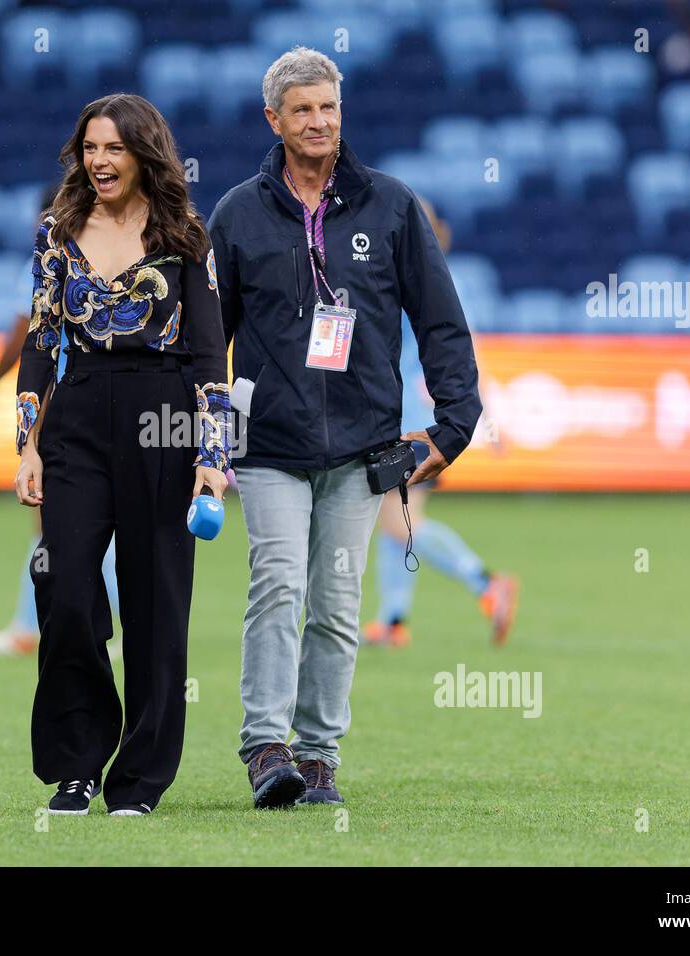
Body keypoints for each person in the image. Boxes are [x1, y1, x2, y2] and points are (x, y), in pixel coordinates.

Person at [209, 47, 481, 809]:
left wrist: (452, 428)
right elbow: (207, 342)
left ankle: (318, 756)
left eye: (328, 107)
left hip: (364, 449)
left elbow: (442, 325)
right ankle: (266, 748)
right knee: (278, 582)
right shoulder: (236, 214)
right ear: (275, 119)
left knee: (334, 600)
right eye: (303, 109)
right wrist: (208, 440)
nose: (319, 121)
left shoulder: (395, 207)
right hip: (268, 447)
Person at [14, 93, 230, 817]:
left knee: (157, 606)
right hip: (78, 419)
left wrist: (212, 454)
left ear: (144, 154)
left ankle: (138, 781)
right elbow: (42, 341)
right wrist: (28, 446)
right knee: (67, 587)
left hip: (164, 419)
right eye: (89, 148)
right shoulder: (55, 231)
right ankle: (77, 764)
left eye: (113, 148)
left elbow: (208, 356)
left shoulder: (184, 234)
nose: (99, 161)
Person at [0, 184, 122, 659]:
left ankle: (35, 628)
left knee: (53, 524)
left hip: (62, 413)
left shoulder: (46, 261)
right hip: (111, 407)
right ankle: (41, 625)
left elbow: (22, 338)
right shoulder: (113, 256)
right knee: (95, 522)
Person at [363, 198, 518, 650]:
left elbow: (462, 354)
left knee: (395, 521)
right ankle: (393, 619)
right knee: (401, 518)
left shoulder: (415, 279)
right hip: (405, 416)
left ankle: (486, 583)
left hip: (411, 422)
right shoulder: (418, 277)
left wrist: (483, 412)